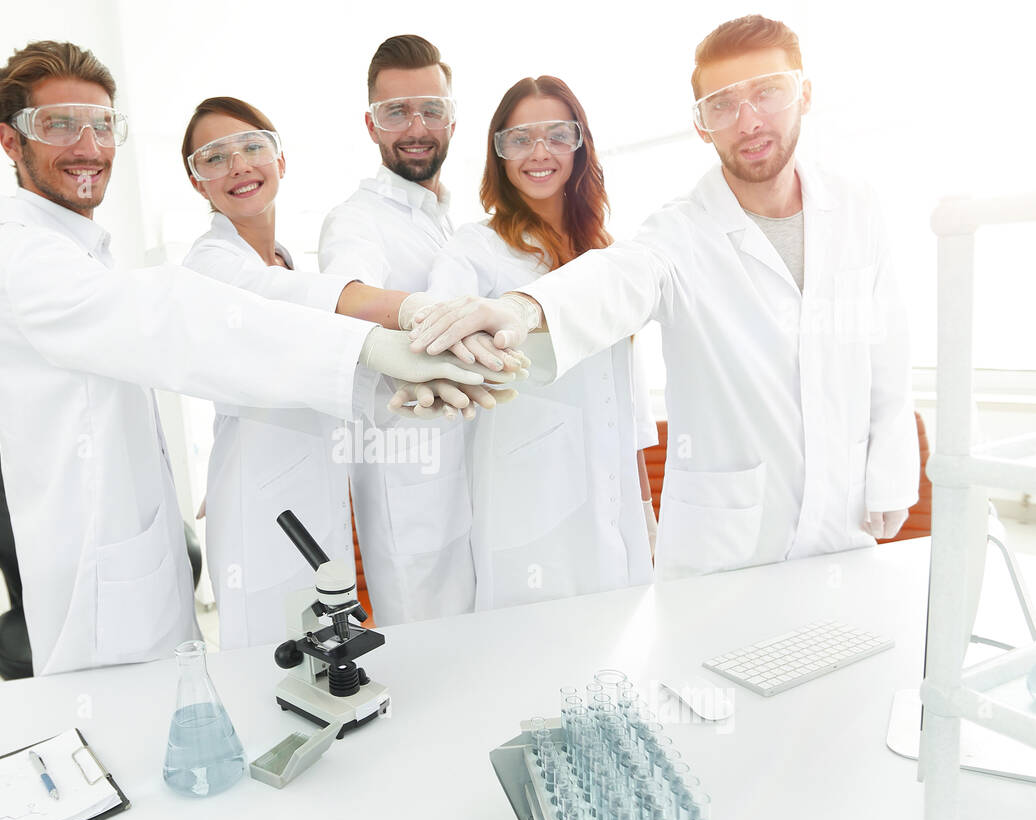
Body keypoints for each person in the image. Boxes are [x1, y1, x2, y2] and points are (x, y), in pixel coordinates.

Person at [0, 41, 495, 675]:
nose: (87, 144)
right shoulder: (28, 260)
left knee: (296, 673)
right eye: (56, 124)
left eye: (102, 124)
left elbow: (255, 319)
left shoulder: (83, 251)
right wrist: (385, 332)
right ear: (9, 140)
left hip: (169, 543)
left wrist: (393, 366)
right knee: (256, 685)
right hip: (102, 573)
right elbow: (186, 319)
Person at [410, 15, 920, 581]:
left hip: (843, 522)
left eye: (767, 93)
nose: (748, 120)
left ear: (803, 94)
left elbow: (888, 350)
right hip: (729, 543)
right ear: (702, 125)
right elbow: (613, 278)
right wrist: (519, 307)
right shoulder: (680, 232)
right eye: (723, 104)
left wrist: (890, 472)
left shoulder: (856, 207)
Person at [178, 97, 514, 648]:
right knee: (272, 669)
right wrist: (403, 313)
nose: (238, 165)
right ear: (198, 182)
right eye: (214, 157)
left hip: (316, 498)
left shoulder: (284, 259)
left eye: (252, 147)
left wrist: (414, 376)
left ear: (280, 161)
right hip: (261, 509)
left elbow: (322, 362)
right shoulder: (212, 264)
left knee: (328, 662)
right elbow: (282, 304)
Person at [426, 76, 658, 609]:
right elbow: (439, 327)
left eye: (557, 135)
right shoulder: (476, 250)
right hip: (526, 506)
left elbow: (627, 394)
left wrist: (644, 506)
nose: (540, 153)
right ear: (499, 153)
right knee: (533, 663)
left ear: (580, 145)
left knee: (619, 656)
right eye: (520, 138)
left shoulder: (605, 253)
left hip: (613, 499)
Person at [319, 34, 503, 625]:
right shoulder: (358, 218)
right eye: (396, 112)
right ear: (371, 125)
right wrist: (429, 313)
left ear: (453, 119)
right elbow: (347, 298)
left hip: (477, 475)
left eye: (431, 109)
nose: (415, 126)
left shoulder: (456, 223)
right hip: (412, 483)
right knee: (433, 658)